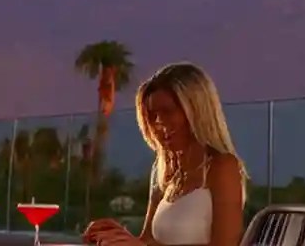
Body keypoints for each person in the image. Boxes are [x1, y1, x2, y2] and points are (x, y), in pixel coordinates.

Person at [84, 63, 246, 246]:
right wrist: (118, 235)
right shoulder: (164, 171)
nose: (159, 122)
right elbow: (148, 241)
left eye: (168, 112)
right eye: (152, 115)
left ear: (196, 111)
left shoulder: (222, 167)